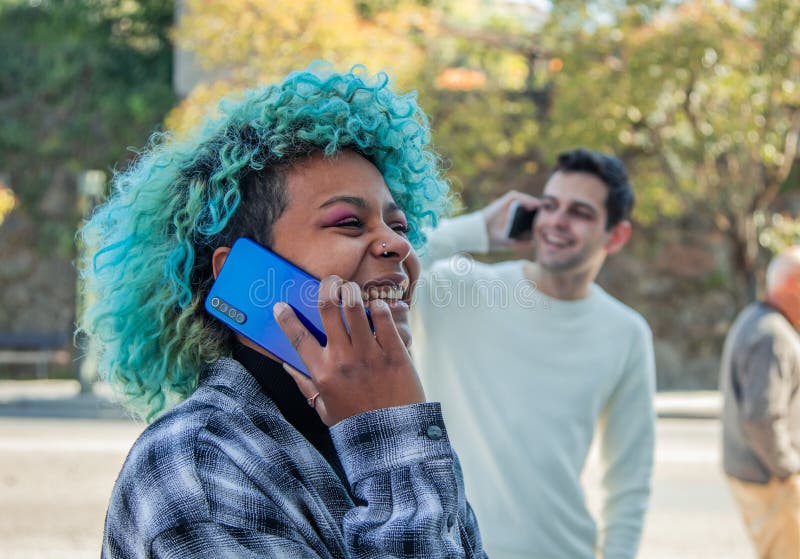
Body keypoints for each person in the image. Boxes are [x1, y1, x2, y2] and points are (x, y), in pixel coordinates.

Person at [79, 64, 486, 558]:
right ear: (243, 277)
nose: (396, 245)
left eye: (398, 225)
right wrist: (391, 440)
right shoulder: (197, 466)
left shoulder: (383, 428)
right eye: (350, 222)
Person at [410, 148, 657, 558]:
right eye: (549, 205)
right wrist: (477, 230)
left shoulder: (626, 333)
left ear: (616, 235)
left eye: (580, 212)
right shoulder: (458, 289)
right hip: (448, 547)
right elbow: (384, 266)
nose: (557, 221)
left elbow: (629, 481)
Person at [720, 247, 800, 559]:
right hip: (770, 481)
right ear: (794, 286)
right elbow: (761, 418)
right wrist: (788, 471)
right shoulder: (772, 336)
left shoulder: (757, 319)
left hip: (757, 473)